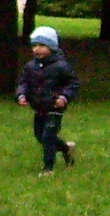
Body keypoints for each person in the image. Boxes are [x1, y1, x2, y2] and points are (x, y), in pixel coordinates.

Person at [16, 25, 80, 175]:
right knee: (41, 136)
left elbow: (73, 83)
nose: (37, 49)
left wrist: (64, 97)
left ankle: (48, 169)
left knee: (48, 136)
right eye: (34, 45)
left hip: (54, 108)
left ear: (51, 47)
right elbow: (23, 82)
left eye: (42, 45)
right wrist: (21, 94)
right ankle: (66, 148)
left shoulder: (61, 66)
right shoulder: (31, 66)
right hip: (39, 108)